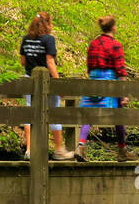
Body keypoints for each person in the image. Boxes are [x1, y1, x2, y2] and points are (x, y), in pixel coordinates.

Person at [76, 15, 130, 162]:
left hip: (93, 80)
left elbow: (89, 65)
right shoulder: (115, 45)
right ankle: (122, 149)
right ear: (113, 27)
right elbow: (121, 70)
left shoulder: (93, 43)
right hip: (109, 81)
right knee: (119, 114)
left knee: (89, 114)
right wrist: (123, 93)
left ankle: (80, 146)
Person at [19, 12, 72, 160]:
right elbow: (50, 62)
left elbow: (23, 62)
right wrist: (59, 84)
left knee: (30, 114)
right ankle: (59, 150)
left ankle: (29, 149)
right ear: (48, 24)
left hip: (29, 80)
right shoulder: (48, 39)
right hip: (47, 82)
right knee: (54, 113)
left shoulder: (25, 39)